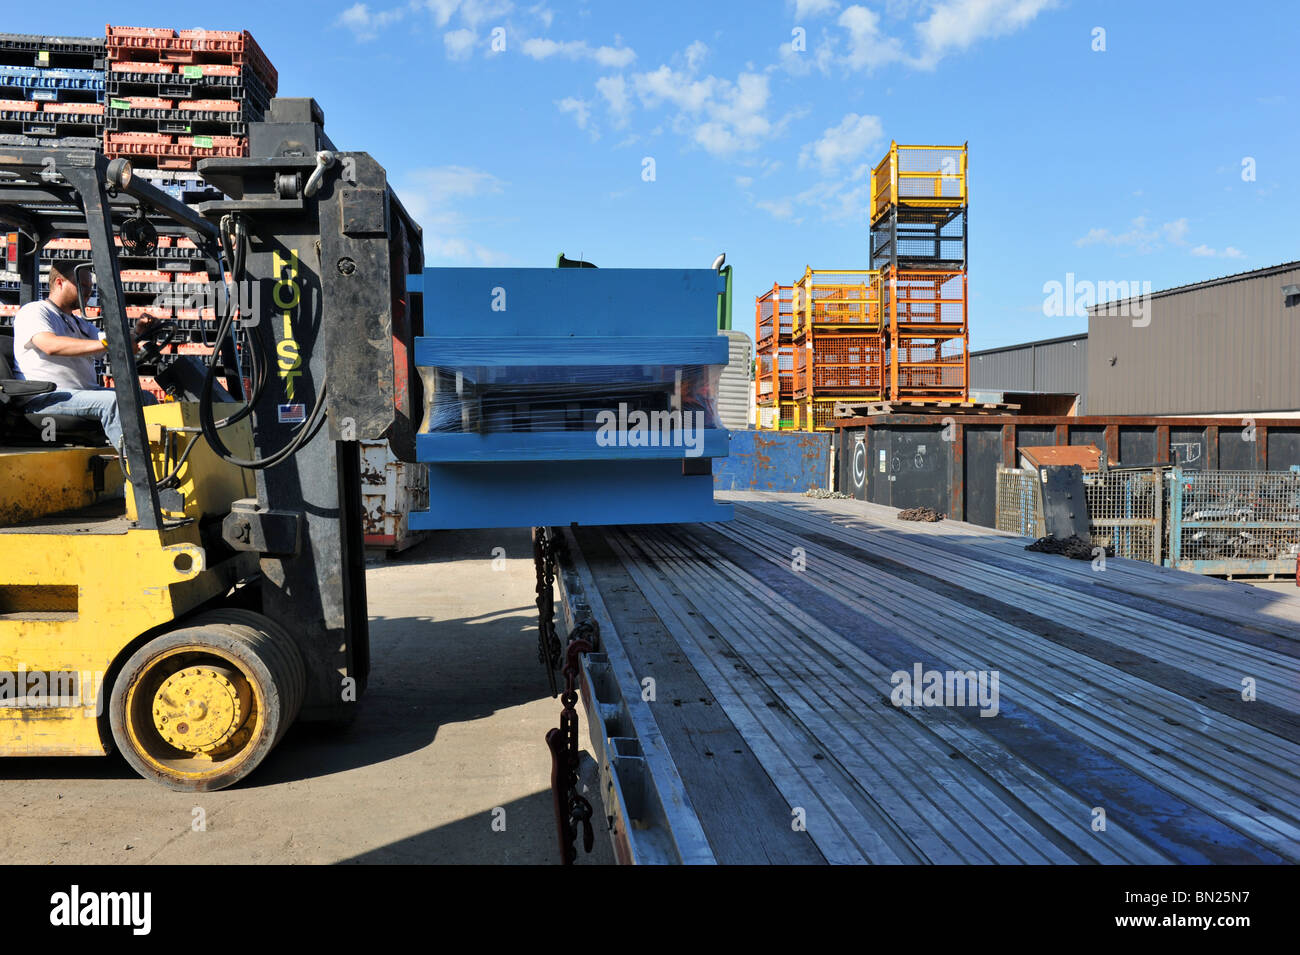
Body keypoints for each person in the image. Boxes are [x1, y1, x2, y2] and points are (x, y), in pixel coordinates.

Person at [11, 259, 158, 449]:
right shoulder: (35, 311)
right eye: (83, 285)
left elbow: (109, 341)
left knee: (146, 398)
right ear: (59, 283)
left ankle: (163, 459)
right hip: (48, 397)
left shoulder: (78, 323)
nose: (88, 292)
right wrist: (109, 343)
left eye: (90, 286)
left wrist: (137, 332)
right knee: (113, 403)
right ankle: (138, 471)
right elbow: (49, 345)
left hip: (81, 394)